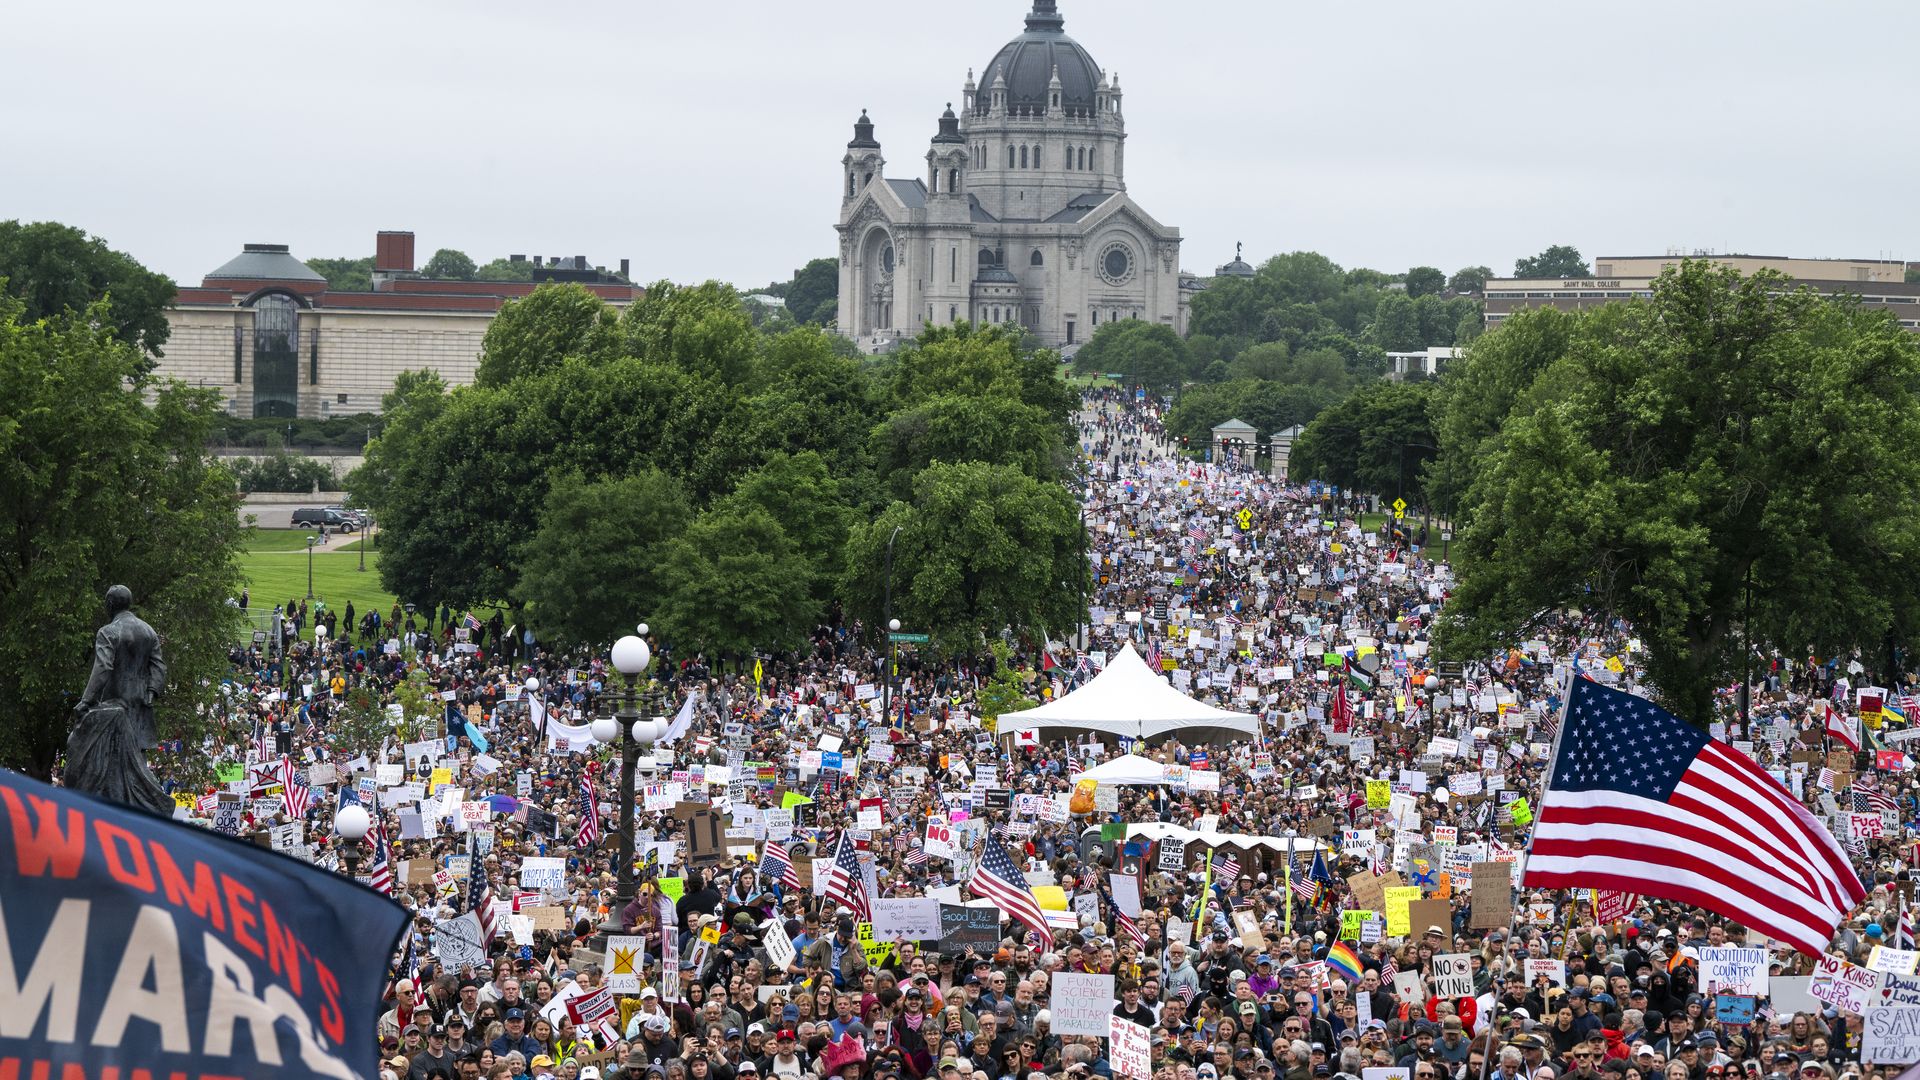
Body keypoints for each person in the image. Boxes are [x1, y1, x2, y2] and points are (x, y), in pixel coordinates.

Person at [65, 584, 169, 813]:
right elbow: (159, 666)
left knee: (110, 763)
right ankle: (139, 808)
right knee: (136, 765)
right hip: (140, 706)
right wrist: (150, 693)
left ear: (110, 605)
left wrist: (86, 701)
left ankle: (129, 809)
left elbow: (102, 667)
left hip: (113, 706)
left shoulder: (109, 632)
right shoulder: (148, 631)